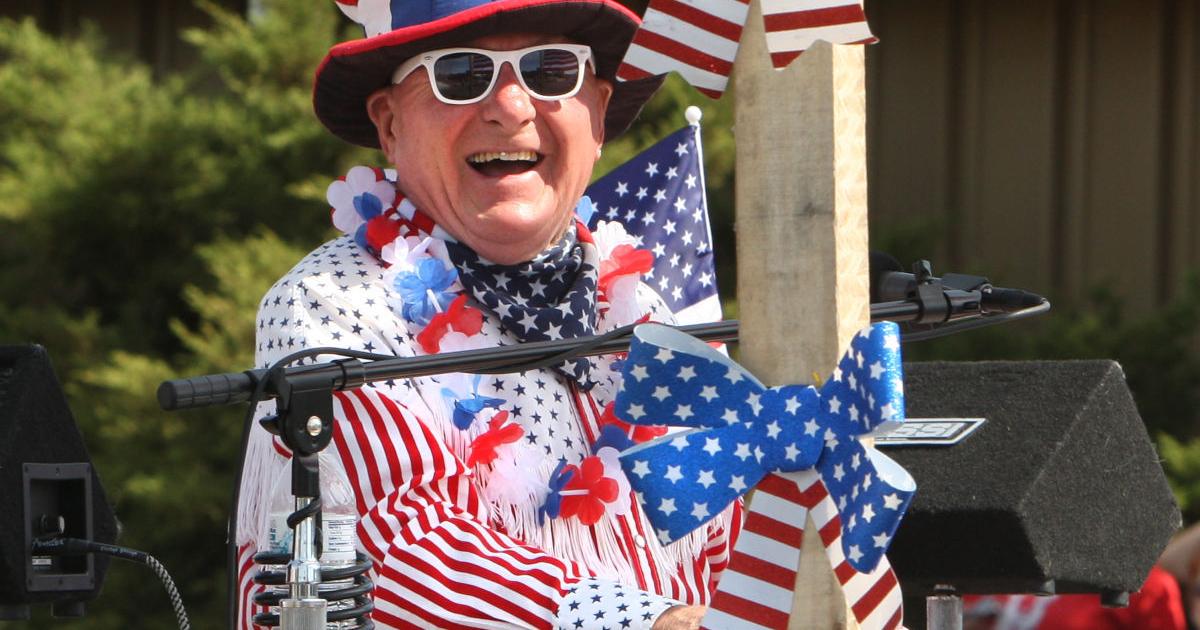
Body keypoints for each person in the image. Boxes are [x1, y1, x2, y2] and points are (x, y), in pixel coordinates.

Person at [233, 0, 741, 628]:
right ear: (390, 125)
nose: (512, 107)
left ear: (599, 113)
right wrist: (651, 622)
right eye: (462, 73)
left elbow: (724, 541)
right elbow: (394, 551)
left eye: (551, 70)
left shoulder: (648, 310)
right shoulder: (327, 304)